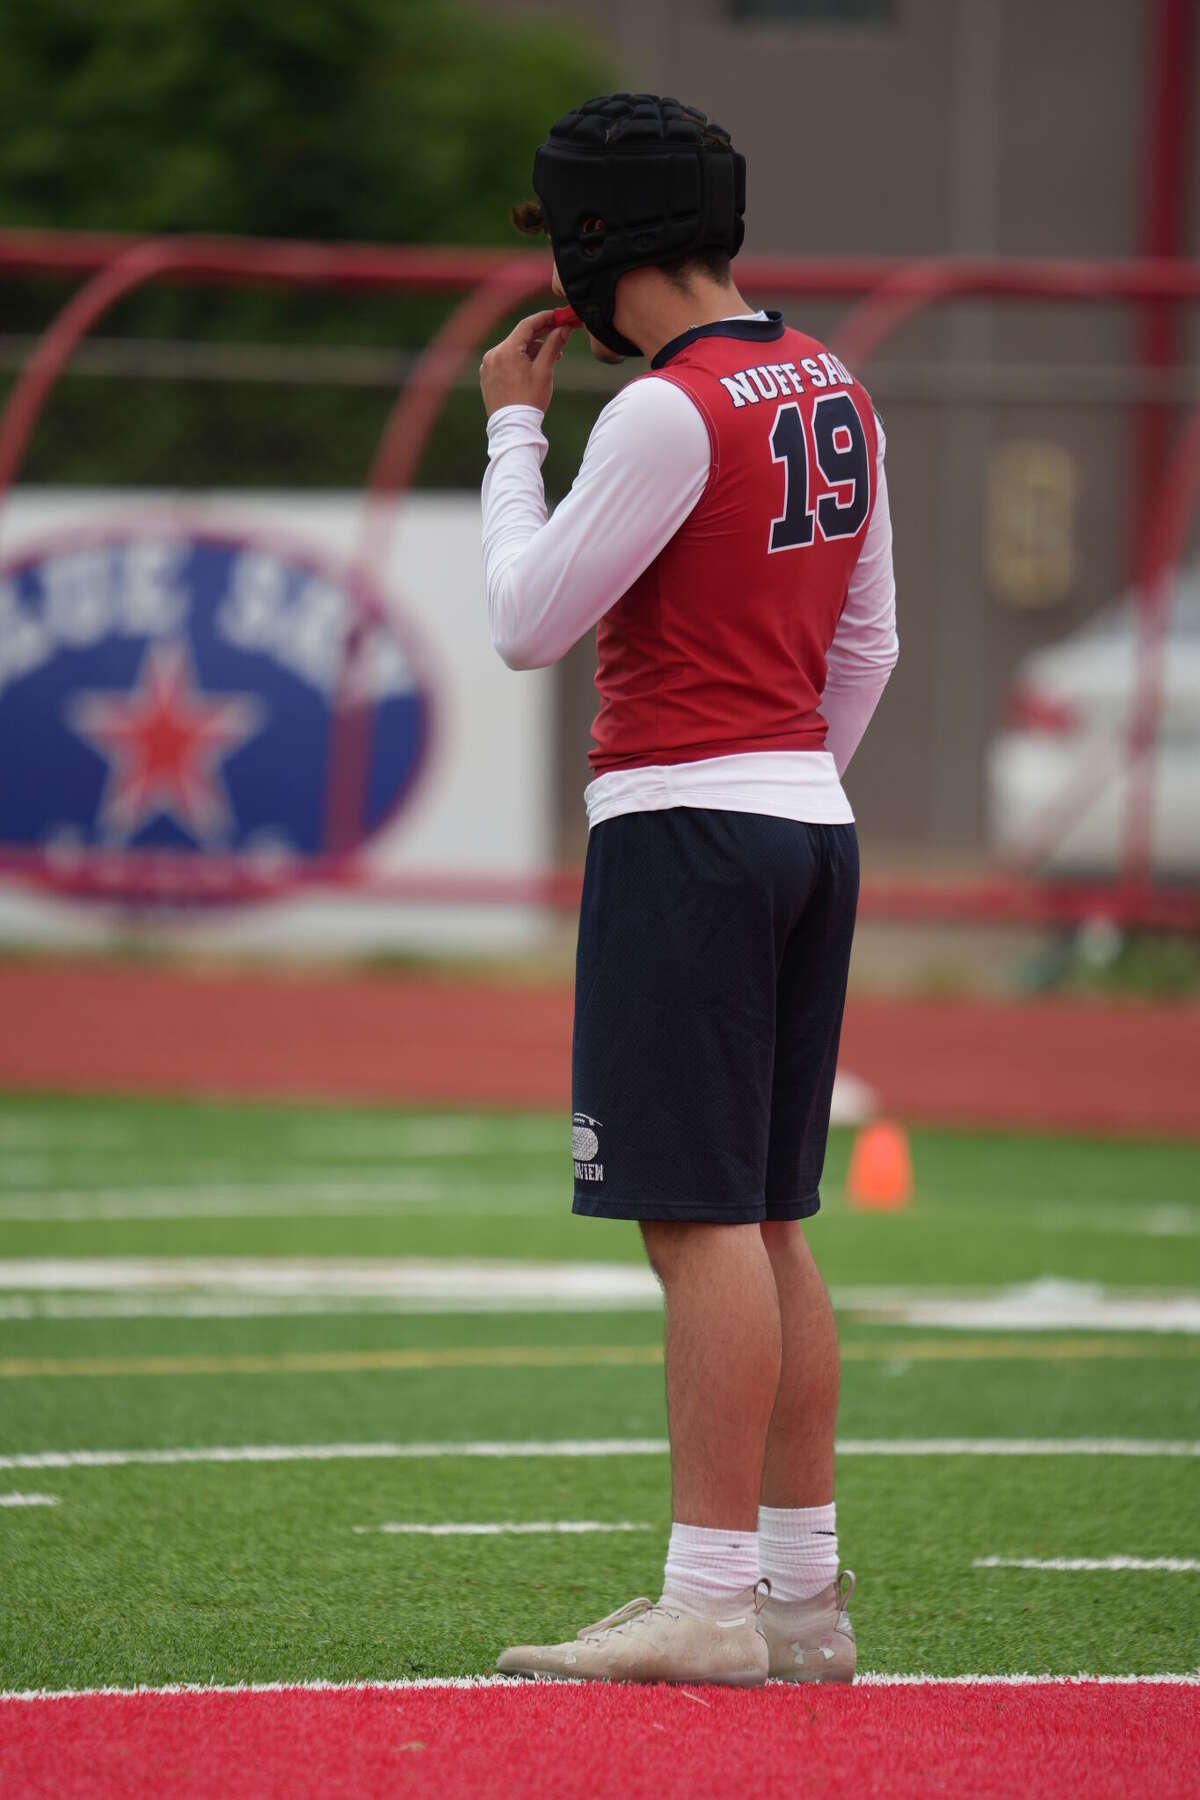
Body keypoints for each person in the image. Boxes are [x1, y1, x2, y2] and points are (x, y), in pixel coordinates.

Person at [479, 94, 898, 1686]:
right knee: (775, 1221)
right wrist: (792, 782)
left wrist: (513, 431)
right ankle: (800, 1598)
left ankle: (715, 1601)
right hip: (807, 818)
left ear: (595, 242)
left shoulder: (666, 412)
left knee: (701, 1223)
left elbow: (527, 618)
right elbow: (870, 645)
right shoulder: (835, 380)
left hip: (690, 826)